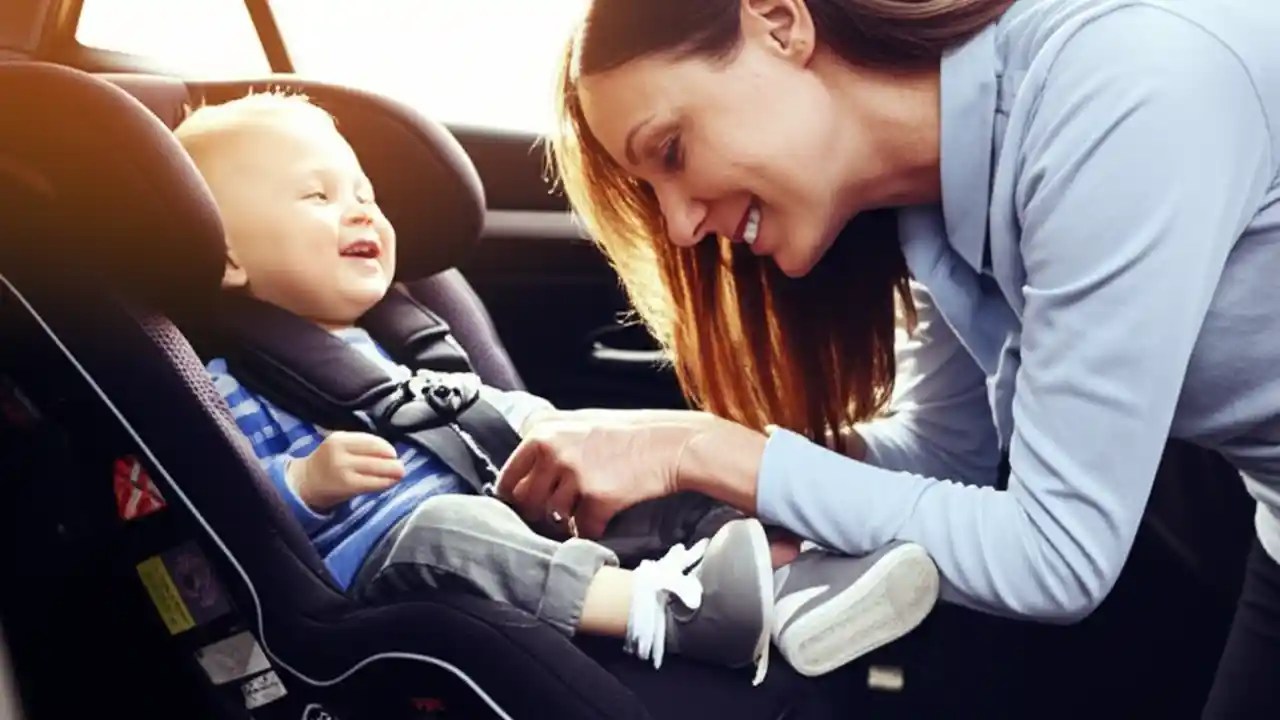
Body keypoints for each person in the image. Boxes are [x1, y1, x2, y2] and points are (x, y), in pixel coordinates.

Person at [506, 0, 1280, 716]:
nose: (679, 225)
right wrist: (698, 478)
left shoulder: (1116, 100)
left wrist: (696, 449)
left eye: (672, 151)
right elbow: (948, 455)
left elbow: (1056, 554)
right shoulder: (938, 199)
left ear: (779, 24)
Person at [173, 91, 942, 684]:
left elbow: (476, 410)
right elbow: (234, 509)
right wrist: (306, 482)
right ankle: (667, 613)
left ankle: (788, 575)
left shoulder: (403, 331)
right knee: (458, 529)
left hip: (497, 506)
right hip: (384, 561)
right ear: (228, 255)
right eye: (318, 198)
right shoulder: (226, 383)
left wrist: (557, 434)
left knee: (640, 481)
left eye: (365, 193)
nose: (359, 211)